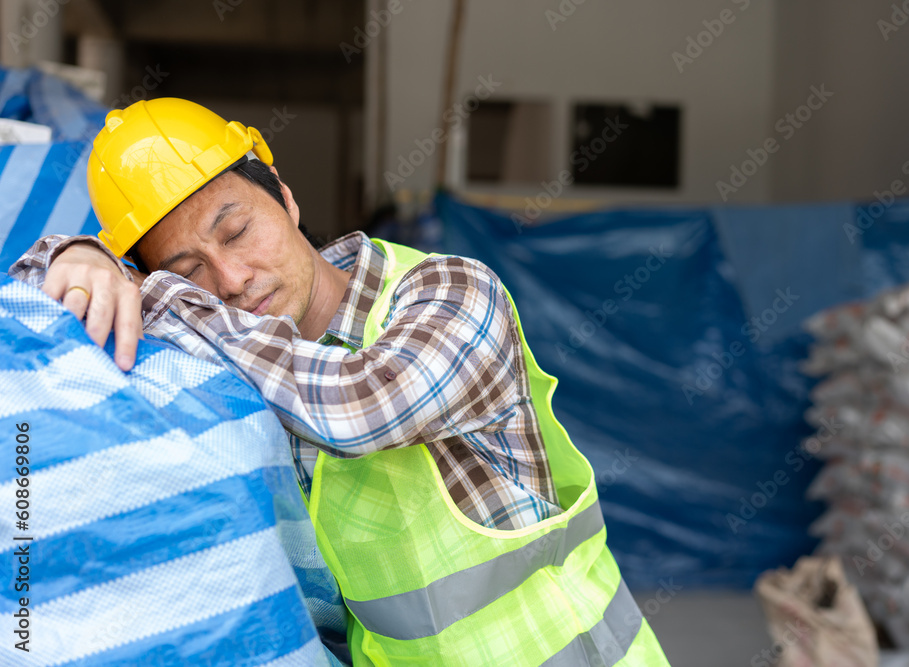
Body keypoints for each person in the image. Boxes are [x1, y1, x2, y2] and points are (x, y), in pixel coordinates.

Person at [11, 98, 669, 666]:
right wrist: (76, 256)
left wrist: (165, 294)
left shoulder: (453, 293)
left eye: (237, 230)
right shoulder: (242, 372)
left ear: (285, 194)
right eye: (191, 269)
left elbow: (360, 408)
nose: (232, 279)